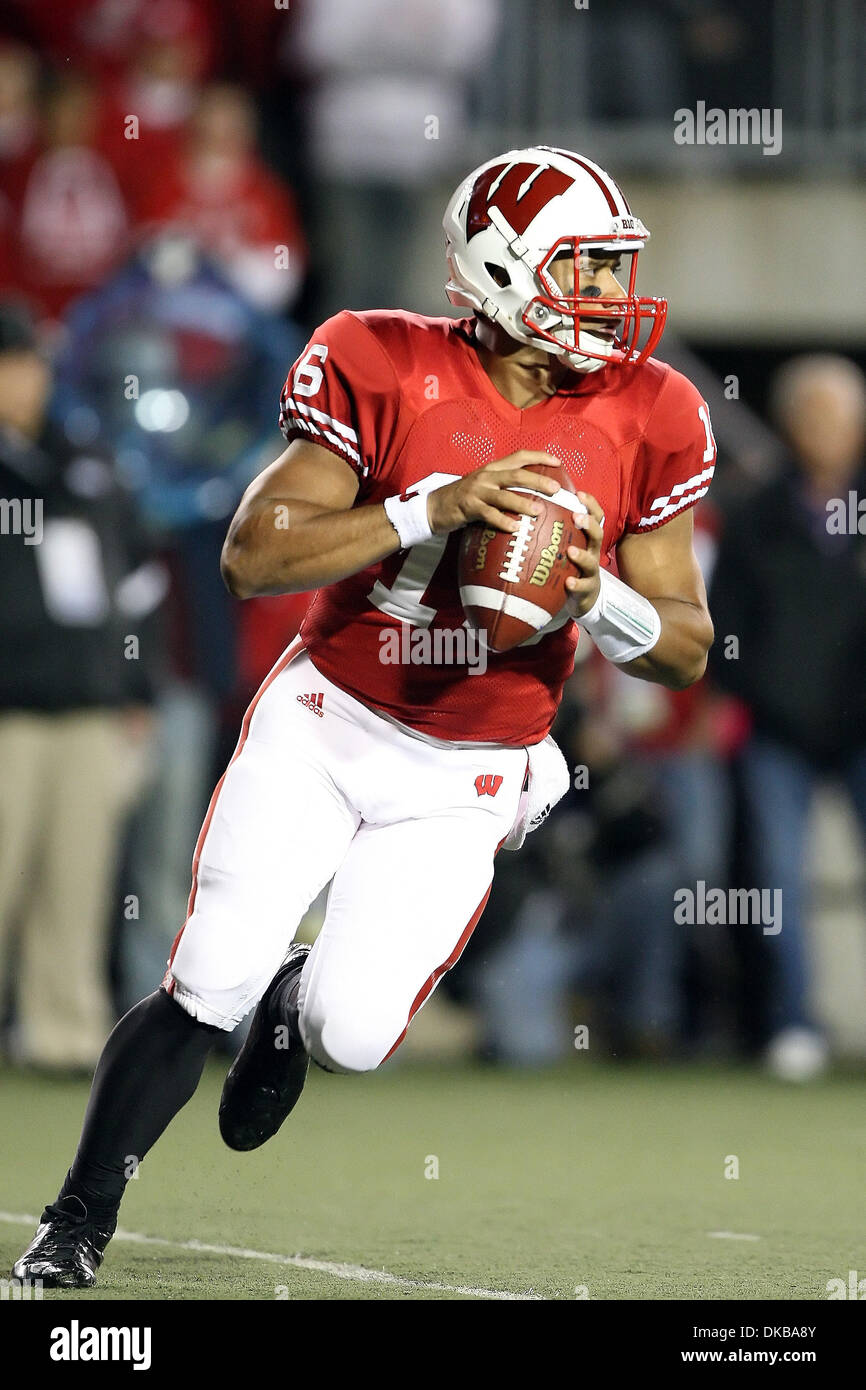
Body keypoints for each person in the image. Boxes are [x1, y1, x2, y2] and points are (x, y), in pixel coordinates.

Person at [13, 146, 716, 1287]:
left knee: (349, 1030)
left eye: (606, 269)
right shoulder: (378, 360)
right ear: (495, 272)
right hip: (331, 719)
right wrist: (424, 508)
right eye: (578, 268)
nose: (603, 295)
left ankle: (299, 997)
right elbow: (252, 560)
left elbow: (686, 648)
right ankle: (80, 1214)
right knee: (208, 974)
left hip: (474, 764)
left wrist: (601, 595)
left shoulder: (651, 410)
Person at [0, 300, 164, 1069]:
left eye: (28, 363)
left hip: (88, 705)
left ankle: (61, 1032)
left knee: (77, 883)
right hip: (10, 710)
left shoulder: (83, 460)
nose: (21, 380)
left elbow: (137, 587)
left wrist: (137, 690)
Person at [709, 354, 866, 1080]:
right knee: (773, 879)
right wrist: (742, 697)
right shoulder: (753, 512)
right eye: (809, 415)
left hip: (861, 723)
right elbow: (724, 622)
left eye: (836, 416)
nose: (823, 432)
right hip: (777, 728)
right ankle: (792, 1023)